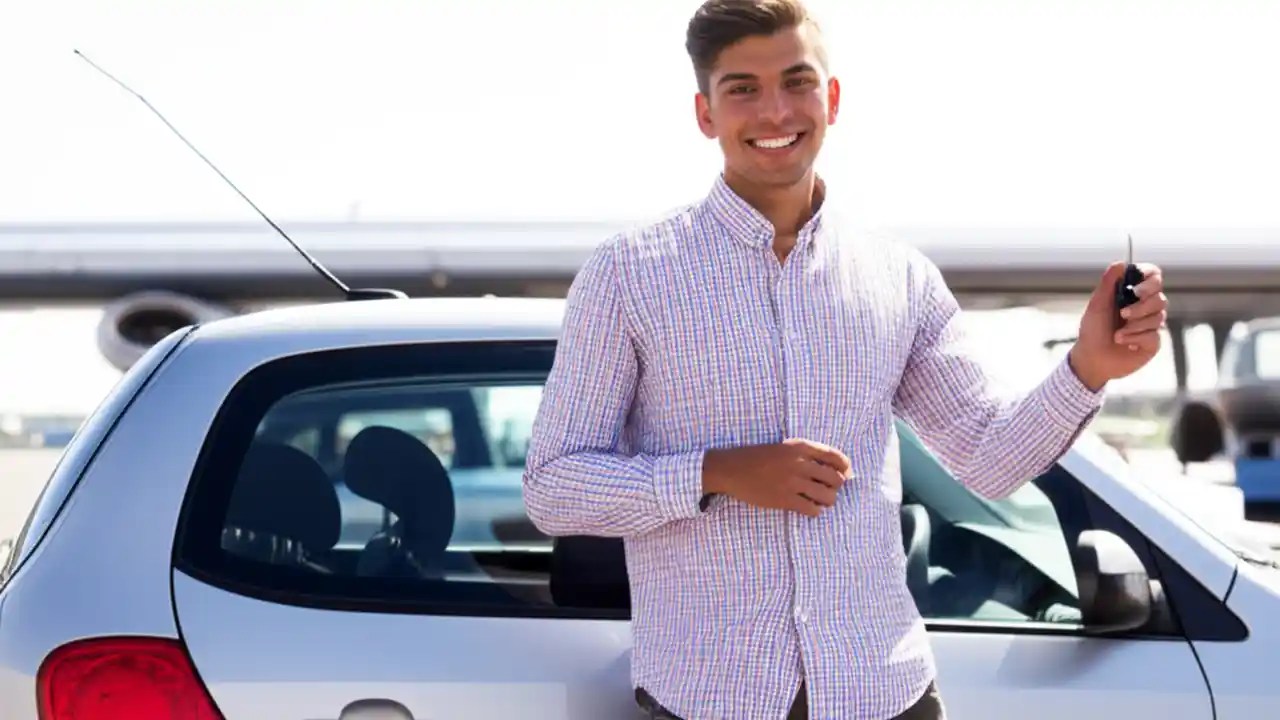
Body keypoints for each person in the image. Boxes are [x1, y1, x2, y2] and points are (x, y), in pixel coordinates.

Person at [521, 0, 1169, 717]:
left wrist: (1089, 367)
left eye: (796, 82)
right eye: (743, 89)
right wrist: (721, 473)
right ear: (706, 113)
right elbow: (553, 487)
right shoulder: (628, 277)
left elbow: (988, 457)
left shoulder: (898, 276)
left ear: (830, 98)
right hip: (710, 700)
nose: (774, 112)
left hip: (885, 693)